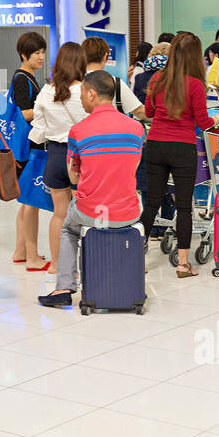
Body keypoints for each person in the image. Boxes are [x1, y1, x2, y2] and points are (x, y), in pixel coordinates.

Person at [39, 71, 145, 308]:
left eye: (82, 95)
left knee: (67, 228)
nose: (81, 100)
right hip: (129, 212)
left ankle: (64, 287)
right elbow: (133, 166)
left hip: (93, 213)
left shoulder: (78, 131)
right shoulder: (136, 128)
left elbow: (73, 176)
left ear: (91, 93)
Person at [140, 34, 219, 277]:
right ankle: (183, 264)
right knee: (184, 207)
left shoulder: (158, 78)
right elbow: (203, 122)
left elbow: (149, 111)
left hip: (156, 144)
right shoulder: (195, 84)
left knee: (151, 203)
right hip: (182, 147)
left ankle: (135, 257)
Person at [29, 41, 89, 276]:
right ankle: (85, 265)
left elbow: (38, 129)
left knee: (59, 214)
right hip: (82, 156)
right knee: (85, 213)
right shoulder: (86, 90)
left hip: (54, 155)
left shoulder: (46, 91)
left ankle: (57, 265)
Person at [10, 31, 49, 270]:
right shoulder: (21, 78)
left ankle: (21, 250)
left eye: (43, 52)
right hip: (27, 146)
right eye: (36, 53)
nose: (41, 57)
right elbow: (24, 113)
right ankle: (31, 256)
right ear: (24, 54)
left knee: (26, 201)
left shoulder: (28, 77)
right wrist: (46, 107)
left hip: (27, 146)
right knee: (30, 202)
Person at [81, 37, 146, 120]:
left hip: (78, 132)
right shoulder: (116, 82)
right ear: (105, 56)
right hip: (109, 131)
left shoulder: (74, 82)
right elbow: (139, 111)